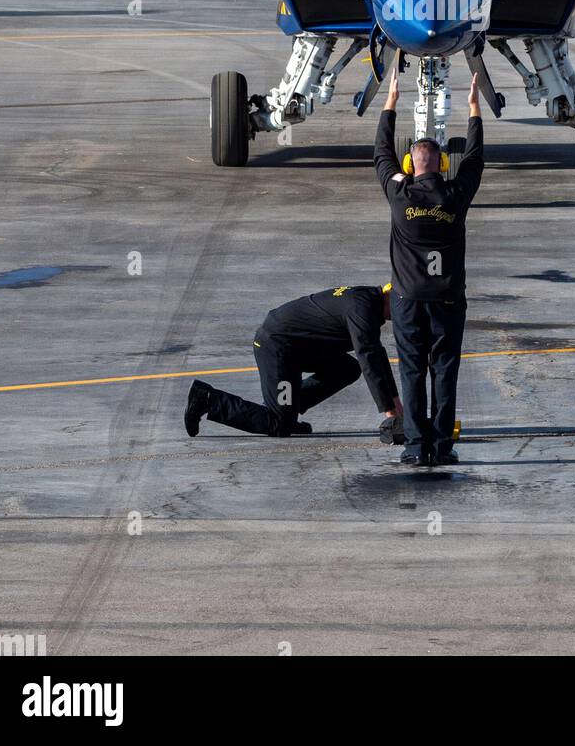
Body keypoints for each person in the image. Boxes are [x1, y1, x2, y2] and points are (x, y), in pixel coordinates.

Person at [374, 68, 484, 466]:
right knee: (445, 371)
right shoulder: (455, 194)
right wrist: (473, 109)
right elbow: (474, 159)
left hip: (407, 300)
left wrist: (390, 102)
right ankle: (441, 446)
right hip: (447, 300)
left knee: (412, 371)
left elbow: (381, 153)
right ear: (443, 164)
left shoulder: (399, 193)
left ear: (411, 164)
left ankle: (415, 448)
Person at [183, 285, 403, 442]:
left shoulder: (367, 301)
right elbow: (369, 360)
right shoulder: (361, 310)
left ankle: (288, 408)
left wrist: (398, 409)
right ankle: (208, 399)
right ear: (393, 299)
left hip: (299, 349)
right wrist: (392, 415)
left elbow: (377, 356)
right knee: (278, 424)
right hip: (277, 347)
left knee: (347, 369)